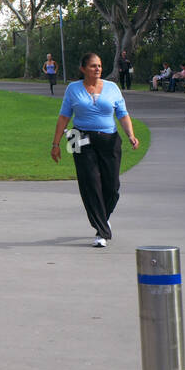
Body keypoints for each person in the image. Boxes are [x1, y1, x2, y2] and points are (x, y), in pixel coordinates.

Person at [50, 52, 139, 247]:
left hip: (109, 138)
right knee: (90, 183)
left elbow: (123, 114)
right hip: (78, 137)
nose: (97, 69)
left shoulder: (112, 88)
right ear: (83, 69)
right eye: (92, 66)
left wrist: (130, 135)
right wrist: (55, 144)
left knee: (113, 187)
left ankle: (102, 218)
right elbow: (64, 117)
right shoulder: (72, 89)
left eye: (99, 65)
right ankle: (101, 231)